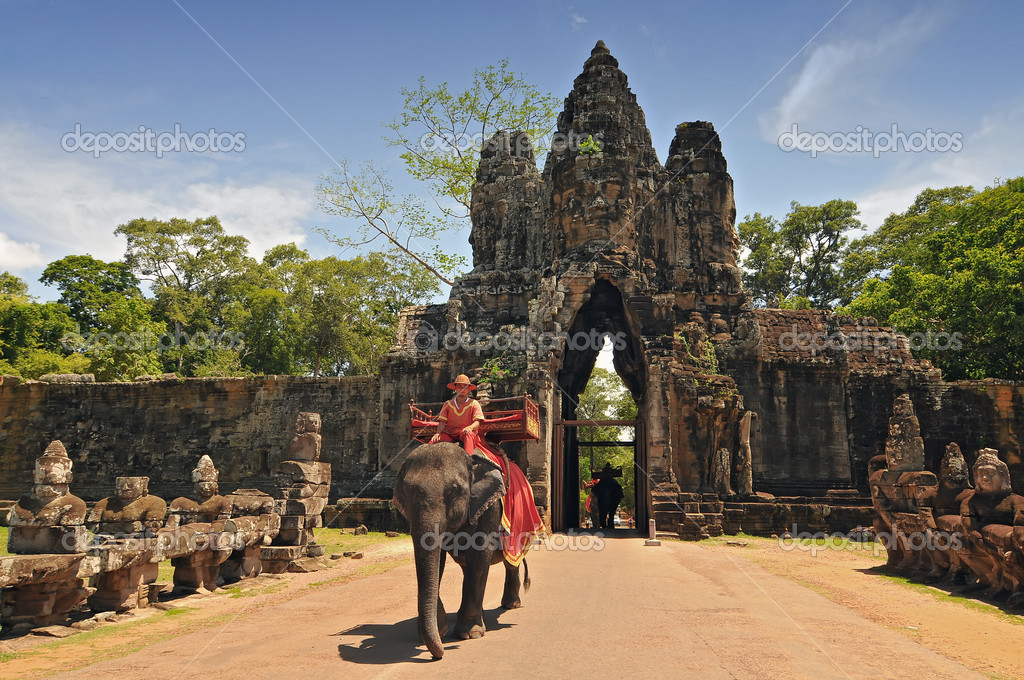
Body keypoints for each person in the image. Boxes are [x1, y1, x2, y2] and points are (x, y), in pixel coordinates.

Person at [429, 374, 485, 455]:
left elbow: (478, 422)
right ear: (455, 388)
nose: (462, 389)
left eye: (465, 386)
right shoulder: (448, 404)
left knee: (468, 435)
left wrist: (470, 427)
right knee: (435, 439)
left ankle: (470, 460)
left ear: (468, 389)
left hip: (465, 433)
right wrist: (438, 433)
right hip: (450, 434)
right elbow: (442, 422)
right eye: (459, 386)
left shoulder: (474, 403)